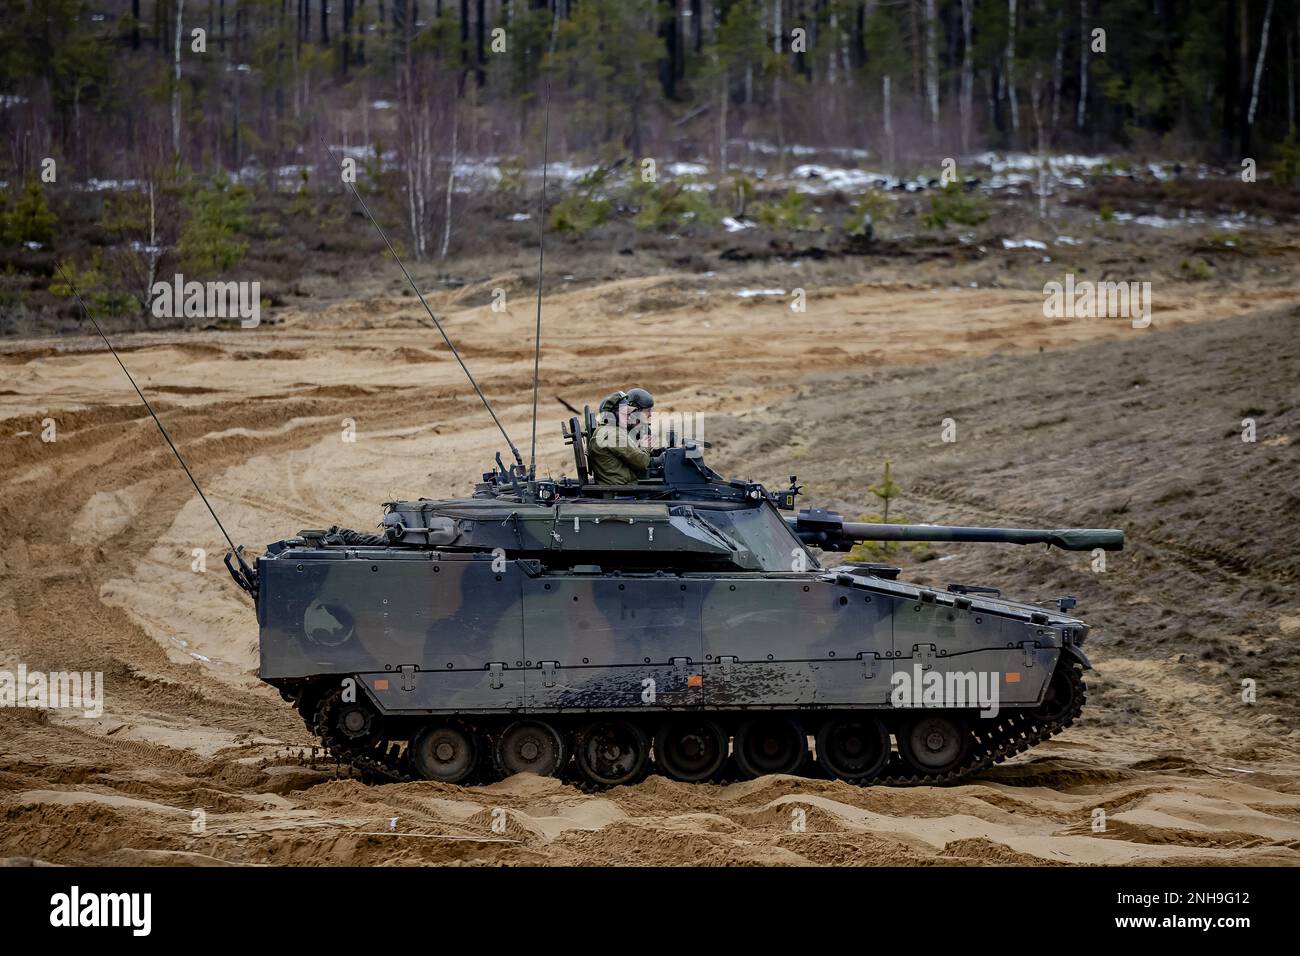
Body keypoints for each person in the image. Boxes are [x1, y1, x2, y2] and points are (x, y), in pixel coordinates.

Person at [587, 388, 655, 485]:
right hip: (620, 491)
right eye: (625, 413)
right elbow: (641, 462)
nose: (629, 416)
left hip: (621, 487)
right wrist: (645, 447)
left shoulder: (612, 430)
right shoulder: (613, 434)